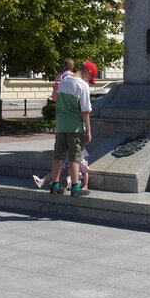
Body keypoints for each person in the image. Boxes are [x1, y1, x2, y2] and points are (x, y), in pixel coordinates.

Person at [47, 61, 95, 197]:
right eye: (90, 78)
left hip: (61, 125)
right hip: (75, 127)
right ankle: (75, 187)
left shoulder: (63, 81)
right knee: (75, 157)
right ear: (88, 72)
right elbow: (85, 111)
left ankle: (54, 185)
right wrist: (88, 131)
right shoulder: (82, 85)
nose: (89, 81)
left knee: (58, 156)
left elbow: (57, 101)